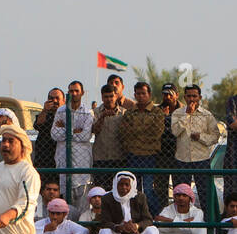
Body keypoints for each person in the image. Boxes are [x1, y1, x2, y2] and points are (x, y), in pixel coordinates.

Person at [170, 84, 220, 217]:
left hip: (201, 159)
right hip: (182, 159)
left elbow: (215, 136)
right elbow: (175, 131)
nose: (191, 99)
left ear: (200, 97)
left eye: (194, 96)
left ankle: (211, 226)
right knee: (182, 195)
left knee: (206, 194)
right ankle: (182, 224)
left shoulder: (207, 115)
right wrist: (187, 115)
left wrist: (201, 137)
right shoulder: (178, 113)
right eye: (189, 96)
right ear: (184, 97)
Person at [120, 81, 168, 212]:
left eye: (143, 93)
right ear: (134, 94)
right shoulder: (130, 113)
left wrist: (136, 132)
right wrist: (144, 131)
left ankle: (156, 215)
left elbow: (156, 133)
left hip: (150, 156)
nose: (140, 96)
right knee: (132, 190)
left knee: (148, 189)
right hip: (132, 156)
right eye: (138, 93)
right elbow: (125, 133)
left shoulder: (157, 112)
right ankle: (136, 215)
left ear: (149, 94)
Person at [51, 80, 94, 212]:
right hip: (64, 162)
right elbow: (54, 134)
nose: (74, 94)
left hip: (82, 165)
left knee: (82, 205)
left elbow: (85, 136)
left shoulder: (87, 113)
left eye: (76, 91)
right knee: (65, 206)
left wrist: (65, 129)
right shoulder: (61, 111)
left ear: (82, 93)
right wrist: (74, 130)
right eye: (71, 91)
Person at [91, 84, 126, 191]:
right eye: (106, 97)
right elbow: (94, 131)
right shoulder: (95, 112)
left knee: (117, 190)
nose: (109, 99)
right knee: (101, 190)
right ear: (102, 97)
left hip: (118, 157)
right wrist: (103, 117)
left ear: (116, 96)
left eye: (111, 96)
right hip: (100, 157)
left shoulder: (124, 113)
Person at [32, 87, 64, 174]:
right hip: (44, 159)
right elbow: (38, 124)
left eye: (57, 98)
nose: (54, 101)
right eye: (51, 98)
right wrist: (45, 110)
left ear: (63, 101)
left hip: (61, 158)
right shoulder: (45, 115)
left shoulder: (66, 116)